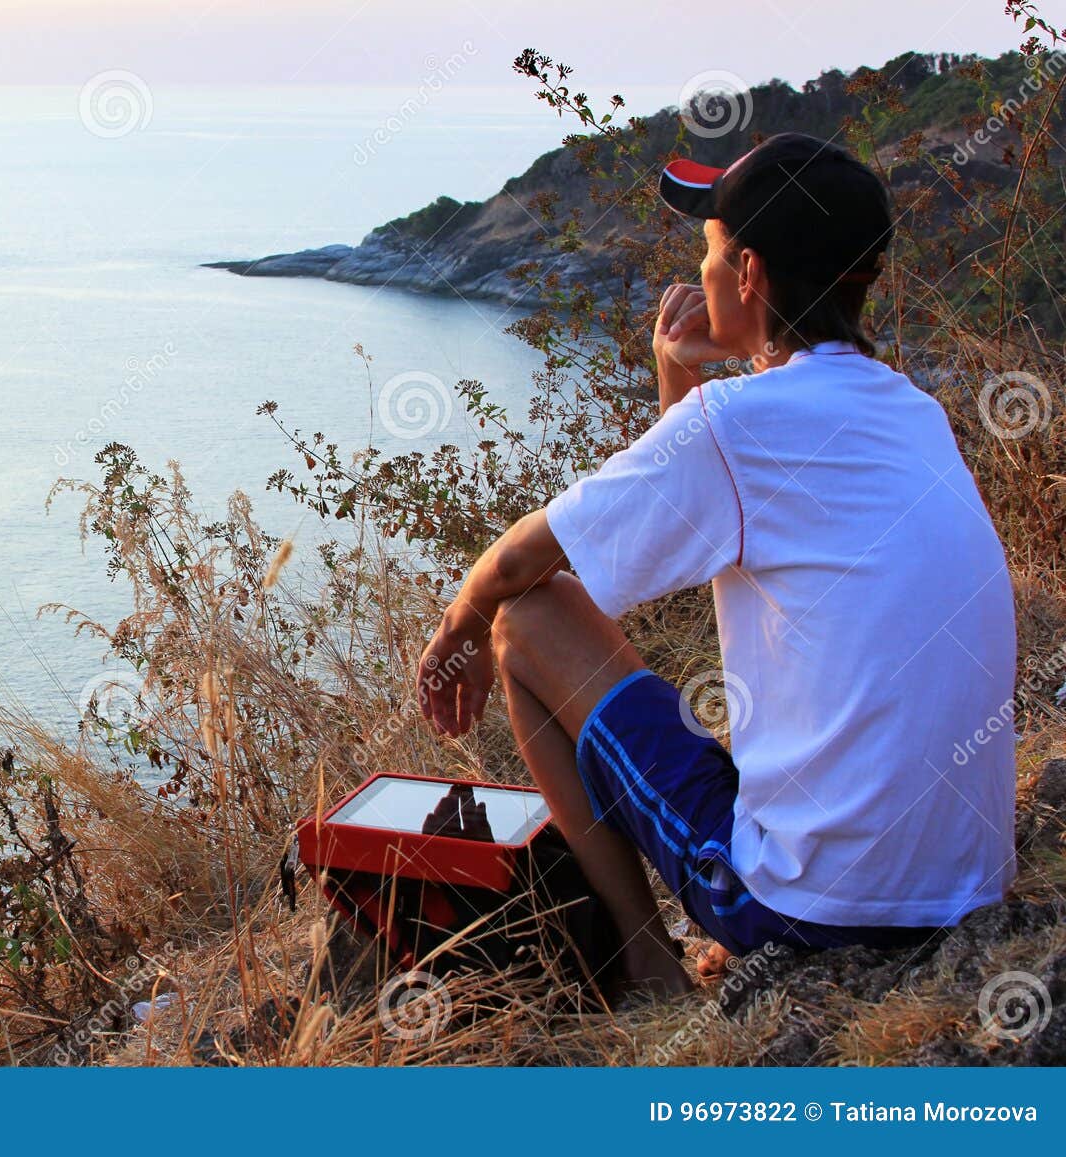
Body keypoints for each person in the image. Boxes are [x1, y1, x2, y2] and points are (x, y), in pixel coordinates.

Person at [415, 132, 1017, 995]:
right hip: (959, 887)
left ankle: (648, 965)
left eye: (707, 252)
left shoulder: (739, 422)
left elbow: (517, 564)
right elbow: (705, 524)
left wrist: (456, 631)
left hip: (811, 906)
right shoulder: (915, 413)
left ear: (748, 276)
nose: (695, 275)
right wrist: (678, 376)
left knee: (525, 621)